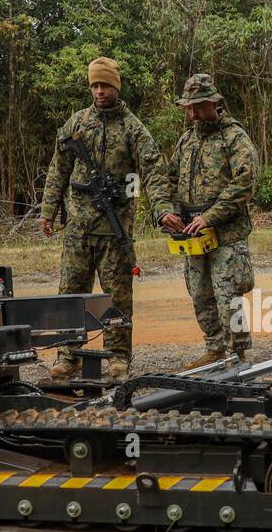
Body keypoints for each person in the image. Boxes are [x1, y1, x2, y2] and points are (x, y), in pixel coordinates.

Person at [40, 57, 172, 381]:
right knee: (71, 293)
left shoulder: (132, 128)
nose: (100, 91)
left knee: (117, 297)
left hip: (115, 229)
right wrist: (48, 211)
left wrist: (163, 208)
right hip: (78, 229)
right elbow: (59, 169)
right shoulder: (77, 124)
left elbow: (153, 168)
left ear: (116, 86)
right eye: (95, 85)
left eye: (105, 85)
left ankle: (118, 358)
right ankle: (66, 356)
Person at [157, 73, 259, 369]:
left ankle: (237, 354)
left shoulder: (234, 137)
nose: (193, 114)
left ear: (215, 103)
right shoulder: (187, 140)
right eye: (189, 108)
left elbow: (245, 182)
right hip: (192, 233)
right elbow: (170, 179)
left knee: (228, 295)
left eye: (199, 107)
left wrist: (210, 216)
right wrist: (170, 211)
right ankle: (215, 349)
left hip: (226, 232)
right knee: (200, 293)